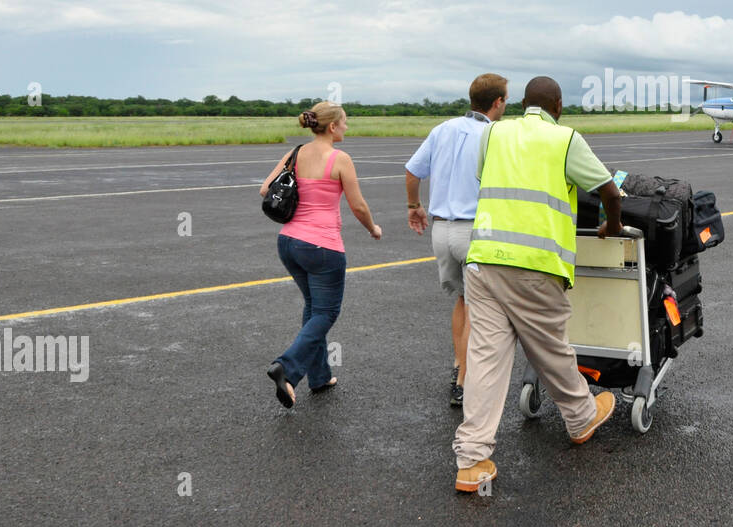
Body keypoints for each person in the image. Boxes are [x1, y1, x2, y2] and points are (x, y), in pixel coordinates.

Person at [453, 76, 623, 493]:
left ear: (523, 103)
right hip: (535, 265)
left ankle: (472, 462)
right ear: (558, 105)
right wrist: (611, 224)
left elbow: (484, 180)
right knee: (551, 349)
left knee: (486, 360)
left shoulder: (492, 132)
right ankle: (582, 418)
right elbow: (609, 191)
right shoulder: (565, 139)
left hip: (484, 260)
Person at [260, 101, 382, 408]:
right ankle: (286, 368)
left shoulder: (295, 153)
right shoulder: (340, 159)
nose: (347, 127)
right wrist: (373, 228)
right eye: (345, 122)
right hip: (322, 247)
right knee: (326, 313)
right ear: (332, 126)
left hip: (288, 242)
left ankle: (318, 376)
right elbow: (358, 206)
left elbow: (265, 189)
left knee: (314, 308)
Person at [404, 73, 508, 407]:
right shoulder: (494, 134)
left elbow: (412, 171)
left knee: (462, 300)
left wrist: (413, 206)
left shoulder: (442, 129)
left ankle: (457, 366)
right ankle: (464, 381)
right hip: (474, 230)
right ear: (498, 102)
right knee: (479, 307)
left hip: (441, 230)